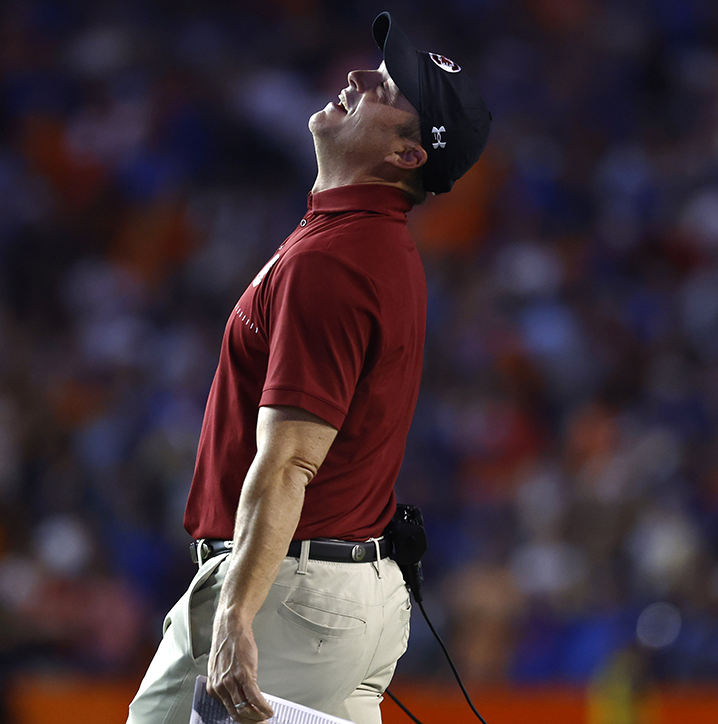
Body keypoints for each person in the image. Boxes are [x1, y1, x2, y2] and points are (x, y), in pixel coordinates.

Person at [126, 13, 490, 724]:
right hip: (341, 589)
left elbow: (292, 458)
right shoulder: (365, 242)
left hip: (287, 593)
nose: (357, 77)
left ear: (408, 154)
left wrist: (236, 613)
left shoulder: (337, 258)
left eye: (387, 89)